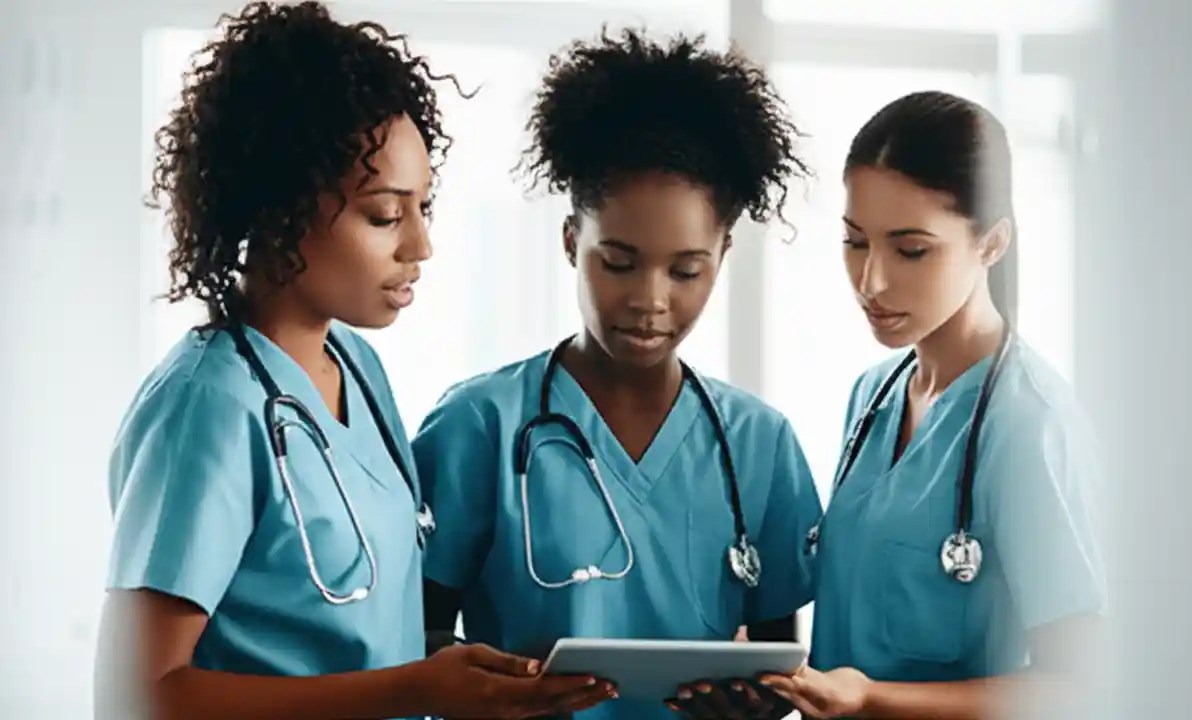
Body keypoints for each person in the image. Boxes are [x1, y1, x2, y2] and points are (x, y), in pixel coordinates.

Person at [93, 3, 613, 719]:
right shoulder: (207, 405)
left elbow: (357, 637)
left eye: (424, 208)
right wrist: (415, 687)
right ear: (278, 208)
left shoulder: (357, 369)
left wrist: (484, 673)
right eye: (385, 215)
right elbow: (134, 695)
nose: (420, 246)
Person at [412, 28, 819, 720]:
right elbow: (416, 643)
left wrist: (750, 704)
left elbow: (778, 665)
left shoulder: (761, 443)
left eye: (685, 271)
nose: (650, 299)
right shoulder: (478, 426)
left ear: (723, 254)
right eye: (620, 263)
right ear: (572, 240)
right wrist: (504, 688)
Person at [757, 91, 1107, 718]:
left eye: (911, 250)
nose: (871, 281)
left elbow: (1080, 687)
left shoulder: (1028, 424)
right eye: (855, 242)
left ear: (992, 243)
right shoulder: (872, 396)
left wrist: (872, 699)